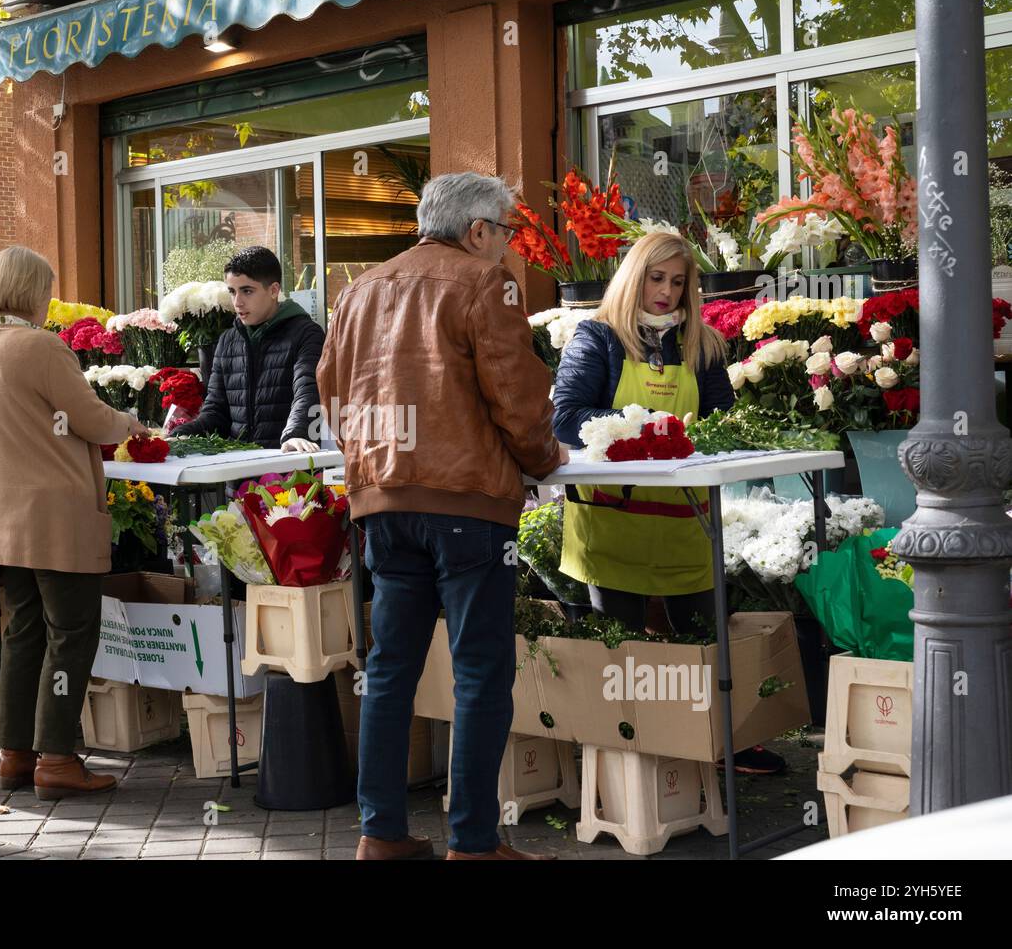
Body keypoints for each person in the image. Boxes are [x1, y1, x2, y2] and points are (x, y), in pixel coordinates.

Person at [318, 172, 568, 860]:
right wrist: (545, 457)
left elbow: (332, 391)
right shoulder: (483, 284)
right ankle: (473, 844)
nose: (510, 246)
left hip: (385, 503)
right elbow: (516, 395)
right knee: (480, 672)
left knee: (390, 670)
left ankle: (381, 835)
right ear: (478, 230)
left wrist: (371, 466)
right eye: (508, 231)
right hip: (467, 506)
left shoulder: (360, 289)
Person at [552, 230, 783, 775]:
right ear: (635, 277)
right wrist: (636, 430)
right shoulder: (598, 338)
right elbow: (566, 416)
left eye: (678, 283)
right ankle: (628, 755)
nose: (667, 292)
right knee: (622, 652)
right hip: (613, 523)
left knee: (705, 642)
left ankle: (725, 740)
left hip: (687, 523)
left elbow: (725, 423)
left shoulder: (698, 343)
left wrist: (697, 440)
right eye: (657, 279)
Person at [0, 246, 147, 799]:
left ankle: (15, 754)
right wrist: (131, 421)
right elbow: (90, 419)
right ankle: (58, 759)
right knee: (70, 635)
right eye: (44, 289)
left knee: (22, 634)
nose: (47, 300)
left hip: (1, 516)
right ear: (28, 292)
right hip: (56, 517)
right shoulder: (40, 346)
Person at [170, 246, 324, 452]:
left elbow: (308, 391)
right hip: (239, 472)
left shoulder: (307, 334)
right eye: (232, 291)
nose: (237, 302)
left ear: (274, 290)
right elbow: (216, 411)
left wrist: (296, 433)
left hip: (290, 467)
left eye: (247, 291)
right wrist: (180, 436)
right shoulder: (227, 341)